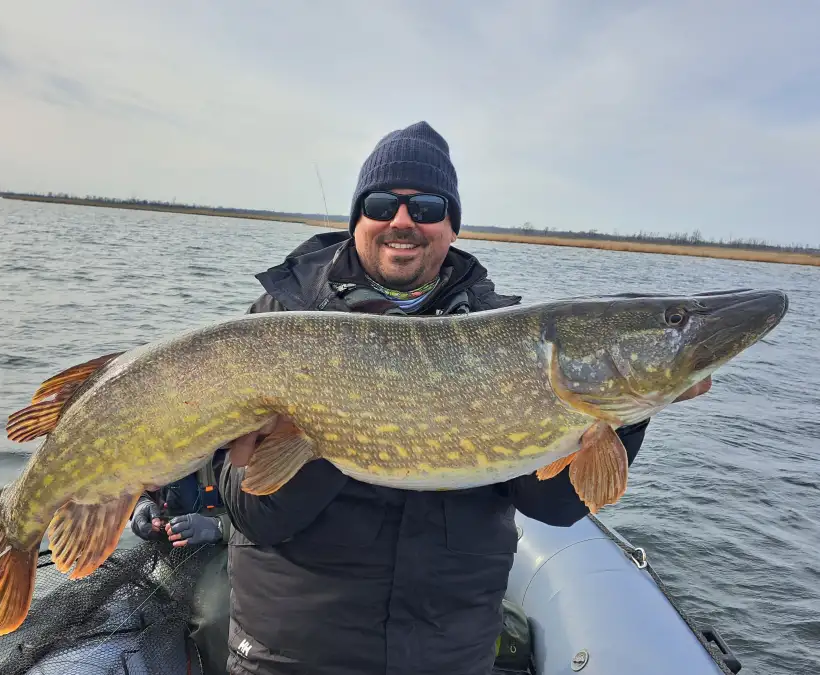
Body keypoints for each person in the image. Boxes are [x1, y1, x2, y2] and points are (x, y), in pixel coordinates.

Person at [218, 121, 712, 675]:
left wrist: (624, 414)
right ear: (359, 218)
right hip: (291, 657)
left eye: (427, 208)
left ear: (451, 226)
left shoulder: (499, 335)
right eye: (383, 204)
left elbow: (552, 504)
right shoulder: (280, 319)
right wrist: (338, 414)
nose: (403, 221)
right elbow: (254, 514)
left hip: (449, 656)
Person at [129, 448, 233, 674]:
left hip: (235, 545)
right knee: (148, 609)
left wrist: (219, 526)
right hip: (173, 547)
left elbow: (279, 513)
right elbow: (127, 480)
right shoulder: (156, 429)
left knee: (213, 617)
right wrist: (140, 505)